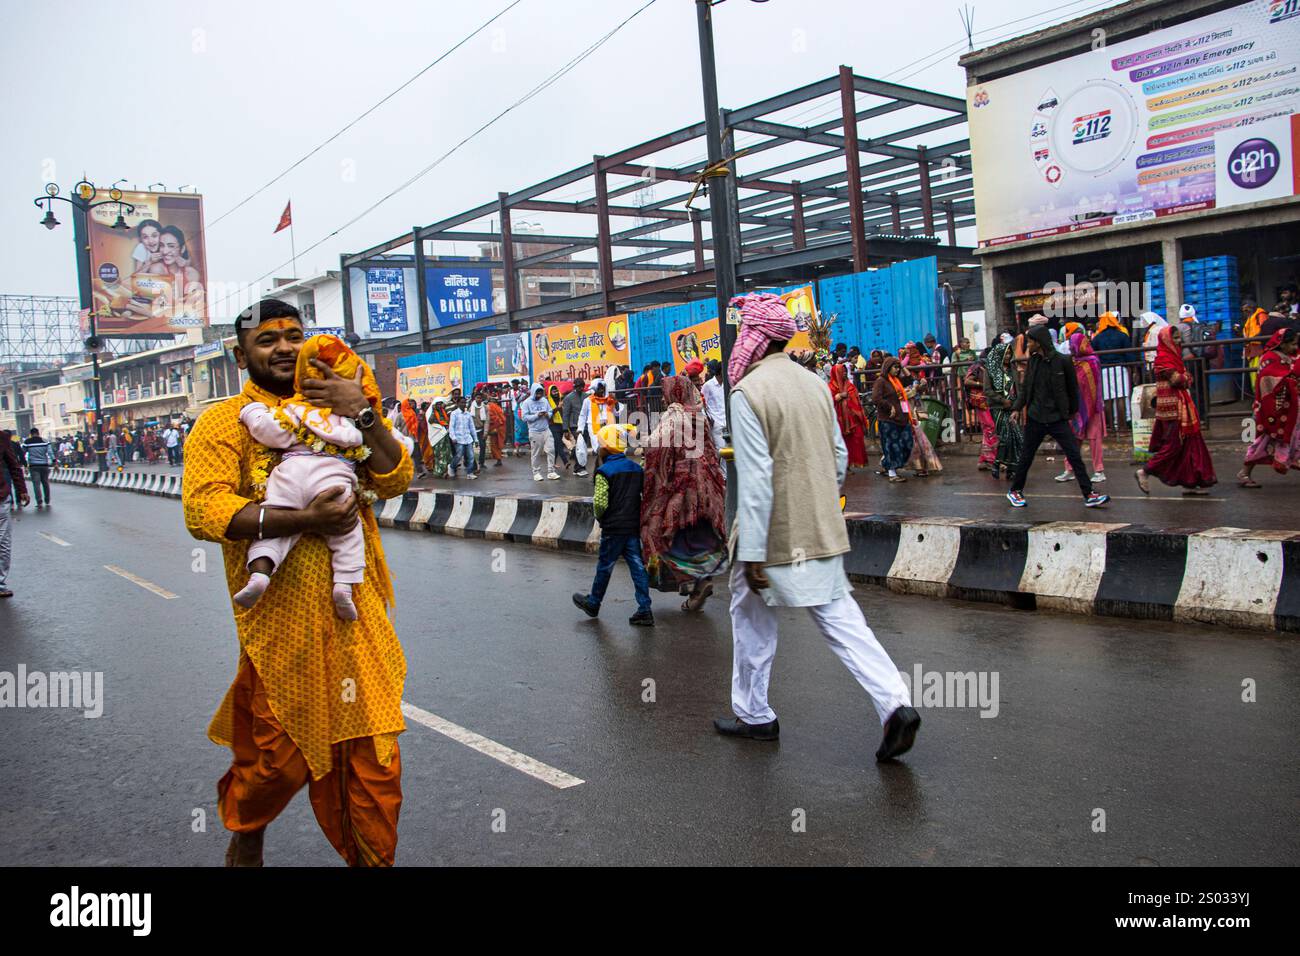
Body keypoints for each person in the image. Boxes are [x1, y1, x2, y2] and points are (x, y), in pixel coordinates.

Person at [182, 298, 412, 867]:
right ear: (242, 355)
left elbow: (395, 478)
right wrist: (307, 521)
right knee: (274, 761)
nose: (284, 347)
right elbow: (204, 511)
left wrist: (364, 413)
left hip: (357, 620)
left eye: (293, 335)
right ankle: (247, 830)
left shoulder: (340, 404)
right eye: (267, 339)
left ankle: (373, 861)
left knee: (375, 761)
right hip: (279, 632)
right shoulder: (224, 422)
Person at [715, 292, 919, 760]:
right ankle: (896, 705)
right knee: (844, 623)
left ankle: (755, 715)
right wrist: (823, 507)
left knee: (750, 621)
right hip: (821, 527)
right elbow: (840, 458)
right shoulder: (815, 384)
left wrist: (755, 552)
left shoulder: (748, 393)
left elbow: (758, 477)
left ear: (755, 338)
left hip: (771, 537)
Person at [233, 335, 385, 621]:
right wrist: (363, 413)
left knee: (274, 527)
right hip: (334, 479)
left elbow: (270, 431)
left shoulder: (296, 409)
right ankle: (344, 585)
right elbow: (381, 446)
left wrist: (252, 411)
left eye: (294, 338)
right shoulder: (351, 417)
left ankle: (259, 575)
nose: (284, 348)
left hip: (290, 477)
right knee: (348, 535)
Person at [640, 376, 727, 612]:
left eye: (665, 392)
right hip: (709, 486)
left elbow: (658, 452)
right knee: (696, 536)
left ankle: (690, 582)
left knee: (662, 533)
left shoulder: (674, 417)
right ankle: (698, 584)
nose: (662, 397)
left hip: (684, 487)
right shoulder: (700, 415)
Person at [1006, 326, 1110, 508]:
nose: (1028, 344)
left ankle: (1089, 494)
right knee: (1027, 456)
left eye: (1030, 341)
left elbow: (1072, 389)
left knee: (1074, 455)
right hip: (1036, 417)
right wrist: (1017, 408)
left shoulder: (1063, 361)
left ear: (1039, 342)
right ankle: (1015, 491)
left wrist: (1071, 412)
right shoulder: (1034, 362)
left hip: (1057, 418)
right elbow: (1025, 388)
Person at [571, 424, 654, 626]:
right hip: (632, 527)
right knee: (637, 567)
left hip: (613, 529)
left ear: (606, 448)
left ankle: (593, 602)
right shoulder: (636, 468)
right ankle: (645, 609)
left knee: (605, 567)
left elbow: (600, 503)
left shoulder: (604, 471)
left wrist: (600, 518)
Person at [1135, 325, 1217, 495]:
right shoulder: (1163, 359)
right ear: (1167, 340)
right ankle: (1145, 471)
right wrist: (1185, 377)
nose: (1180, 342)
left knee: (1190, 443)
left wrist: (1185, 377)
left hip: (1181, 405)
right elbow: (1179, 380)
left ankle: (1190, 481)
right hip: (1172, 408)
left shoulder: (1174, 357)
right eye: (1176, 339)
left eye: (1180, 338)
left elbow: (1185, 378)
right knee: (1173, 445)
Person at [1239, 329, 1300, 486]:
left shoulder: (1291, 357)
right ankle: (1244, 474)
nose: (1295, 347)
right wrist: (1291, 380)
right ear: (1282, 344)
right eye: (1292, 344)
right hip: (1272, 410)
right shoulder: (1269, 358)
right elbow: (1268, 380)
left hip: (1291, 409)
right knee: (1263, 441)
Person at [1055, 332, 1106, 484]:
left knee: (1094, 438)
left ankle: (1099, 470)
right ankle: (1069, 469)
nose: (1071, 348)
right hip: (1078, 407)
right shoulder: (1074, 362)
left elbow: (1092, 386)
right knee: (1073, 439)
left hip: (1093, 407)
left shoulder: (1092, 361)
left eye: (1073, 345)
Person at [871, 356, 914, 482]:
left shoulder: (896, 380)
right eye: (895, 367)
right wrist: (889, 406)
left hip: (902, 418)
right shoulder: (881, 381)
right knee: (891, 445)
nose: (897, 370)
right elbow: (876, 398)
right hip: (888, 419)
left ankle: (886, 463)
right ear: (888, 368)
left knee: (907, 443)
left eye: (898, 368)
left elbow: (909, 379)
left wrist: (903, 366)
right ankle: (892, 473)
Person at [985, 341, 1023, 480]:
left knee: (1017, 438)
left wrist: (1017, 406)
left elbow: (1018, 388)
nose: (1007, 356)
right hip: (998, 408)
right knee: (1005, 438)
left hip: (1012, 408)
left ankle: (1011, 469)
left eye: (1009, 353)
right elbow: (987, 390)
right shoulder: (991, 370)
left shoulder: (1013, 368)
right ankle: (996, 463)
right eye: (1005, 353)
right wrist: (1002, 400)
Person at [0, 431, 29, 599]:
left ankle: (0, 583)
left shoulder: (2, 438)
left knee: (3, 542)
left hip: (1, 498)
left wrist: (22, 490)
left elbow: (13, 465)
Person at [1092, 311, 1132, 425]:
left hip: (1104, 370)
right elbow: (1129, 355)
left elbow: (1093, 354)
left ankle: (1111, 426)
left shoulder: (1097, 338)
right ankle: (1123, 426)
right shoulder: (1122, 335)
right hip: (1120, 368)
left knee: (1108, 399)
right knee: (1121, 397)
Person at [828, 363, 869, 469]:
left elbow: (856, 402)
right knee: (842, 442)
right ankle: (843, 466)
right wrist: (838, 397)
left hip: (853, 420)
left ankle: (852, 463)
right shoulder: (830, 387)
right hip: (838, 421)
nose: (845, 373)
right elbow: (827, 402)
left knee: (855, 440)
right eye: (843, 371)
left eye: (846, 371)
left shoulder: (850, 386)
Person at [963, 350, 998, 471]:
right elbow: (967, 381)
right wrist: (982, 384)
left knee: (988, 430)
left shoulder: (988, 366)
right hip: (981, 401)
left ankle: (984, 459)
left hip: (988, 401)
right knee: (990, 427)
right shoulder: (977, 366)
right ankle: (992, 459)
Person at [521, 383, 558, 481]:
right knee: (536, 453)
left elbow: (550, 412)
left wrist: (547, 414)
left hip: (546, 429)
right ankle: (536, 472)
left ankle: (551, 471)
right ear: (533, 392)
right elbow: (524, 418)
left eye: (541, 393)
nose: (539, 395)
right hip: (534, 431)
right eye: (537, 393)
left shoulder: (544, 400)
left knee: (551, 450)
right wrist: (537, 415)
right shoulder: (526, 403)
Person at [561, 378, 589, 477]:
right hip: (574, 426)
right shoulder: (568, 398)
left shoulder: (587, 396)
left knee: (583, 447)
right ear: (574, 387)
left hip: (585, 425)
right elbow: (566, 414)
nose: (580, 389)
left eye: (582, 386)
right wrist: (565, 429)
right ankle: (579, 468)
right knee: (580, 446)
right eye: (578, 387)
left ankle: (578, 467)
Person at [448, 396, 478, 480]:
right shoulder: (454, 414)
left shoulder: (468, 414)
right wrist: (453, 437)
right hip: (458, 439)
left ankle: (470, 473)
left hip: (468, 438)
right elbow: (451, 427)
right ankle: (451, 467)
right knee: (458, 455)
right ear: (457, 403)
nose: (463, 404)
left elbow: (472, 427)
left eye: (464, 402)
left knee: (471, 456)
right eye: (461, 402)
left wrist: (475, 439)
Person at [22, 427, 53, 509]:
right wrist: (54, 462)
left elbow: (23, 454)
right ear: (38, 433)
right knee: (45, 483)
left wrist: (24, 465)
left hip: (33, 466)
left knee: (36, 485)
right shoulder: (45, 441)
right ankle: (47, 500)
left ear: (31, 434)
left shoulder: (27, 442)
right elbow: (50, 452)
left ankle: (39, 502)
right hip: (44, 465)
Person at [545, 384, 572, 472]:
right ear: (550, 393)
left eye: (556, 391)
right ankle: (565, 461)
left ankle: (553, 463)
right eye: (553, 391)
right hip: (553, 425)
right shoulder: (547, 402)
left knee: (556, 445)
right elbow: (548, 414)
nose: (556, 393)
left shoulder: (562, 399)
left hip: (562, 425)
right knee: (559, 443)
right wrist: (558, 407)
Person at [701, 359, 726, 449]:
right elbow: (702, 404)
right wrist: (709, 420)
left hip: (727, 423)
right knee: (722, 450)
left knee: (729, 451)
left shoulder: (726, 385)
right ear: (720, 371)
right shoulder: (708, 385)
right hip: (716, 425)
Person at [486, 391, 507, 468]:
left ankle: (498, 459)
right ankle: (499, 459)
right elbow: (503, 419)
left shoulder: (490, 406)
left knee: (494, 445)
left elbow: (492, 418)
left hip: (495, 427)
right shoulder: (498, 407)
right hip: (500, 427)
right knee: (498, 444)